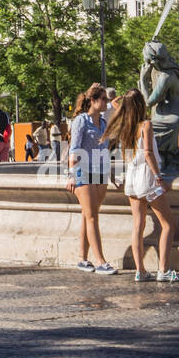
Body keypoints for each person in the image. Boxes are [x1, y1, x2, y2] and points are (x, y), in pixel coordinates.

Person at [104, 88, 179, 283]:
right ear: (141, 105)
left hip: (132, 177)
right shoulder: (145, 125)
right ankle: (164, 270)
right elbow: (148, 153)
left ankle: (140, 271)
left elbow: (109, 149)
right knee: (168, 225)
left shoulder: (125, 126)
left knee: (137, 226)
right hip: (147, 178)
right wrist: (159, 178)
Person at [66, 84, 115, 274]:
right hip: (82, 172)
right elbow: (74, 148)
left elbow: (105, 151)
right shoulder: (81, 121)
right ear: (93, 101)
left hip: (99, 171)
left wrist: (110, 174)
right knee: (92, 217)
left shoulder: (103, 123)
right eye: (103, 99)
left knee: (87, 215)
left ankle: (82, 259)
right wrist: (71, 175)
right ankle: (101, 261)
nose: (106, 102)